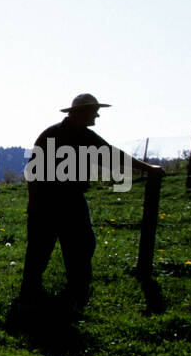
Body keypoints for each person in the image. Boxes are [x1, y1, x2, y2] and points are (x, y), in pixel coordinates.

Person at [17, 93, 161, 312]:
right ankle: (31, 293)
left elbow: (113, 155)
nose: (97, 115)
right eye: (94, 111)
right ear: (81, 112)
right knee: (40, 250)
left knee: (82, 245)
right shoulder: (51, 135)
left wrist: (147, 168)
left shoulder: (85, 136)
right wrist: (33, 201)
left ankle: (75, 291)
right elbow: (33, 171)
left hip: (72, 200)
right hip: (47, 202)